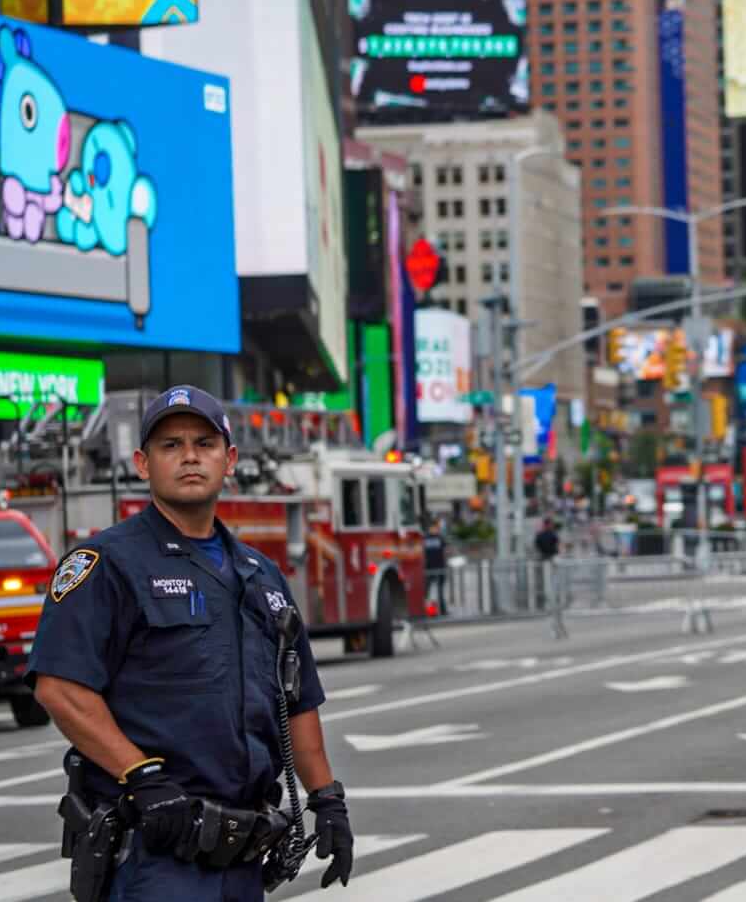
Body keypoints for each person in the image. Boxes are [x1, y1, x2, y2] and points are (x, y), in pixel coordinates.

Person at [27, 386, 353, 900]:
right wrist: (141, 776)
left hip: (243, 858)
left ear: (230, 460)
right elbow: (60, 687)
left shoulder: (261, 575)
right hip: (154, 855)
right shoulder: (108, 564)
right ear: (142, 463)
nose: (190, 457)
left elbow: (296, 700)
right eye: (170, 445)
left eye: (204, 443)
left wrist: (327, 798)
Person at [423, 516, 449, 615]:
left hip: (439, 567)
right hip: (429, 568)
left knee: (439, 592)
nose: (435, 529)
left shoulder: (439, 538)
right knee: (430, 592)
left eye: (436, 528)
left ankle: (442, 610)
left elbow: (446, 550)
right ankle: (431, 611)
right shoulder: (426, 538)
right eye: (433, 527)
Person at [534, 519, 562, 609]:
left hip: (542, 559)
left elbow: (537, 546)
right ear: (549, 525)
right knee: (554, 579)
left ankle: (544, 600)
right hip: (552, 559)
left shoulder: (539, 535)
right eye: (551, 524)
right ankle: (554, 598)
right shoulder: (553, 534)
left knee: (543, 581)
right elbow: (558, 545)